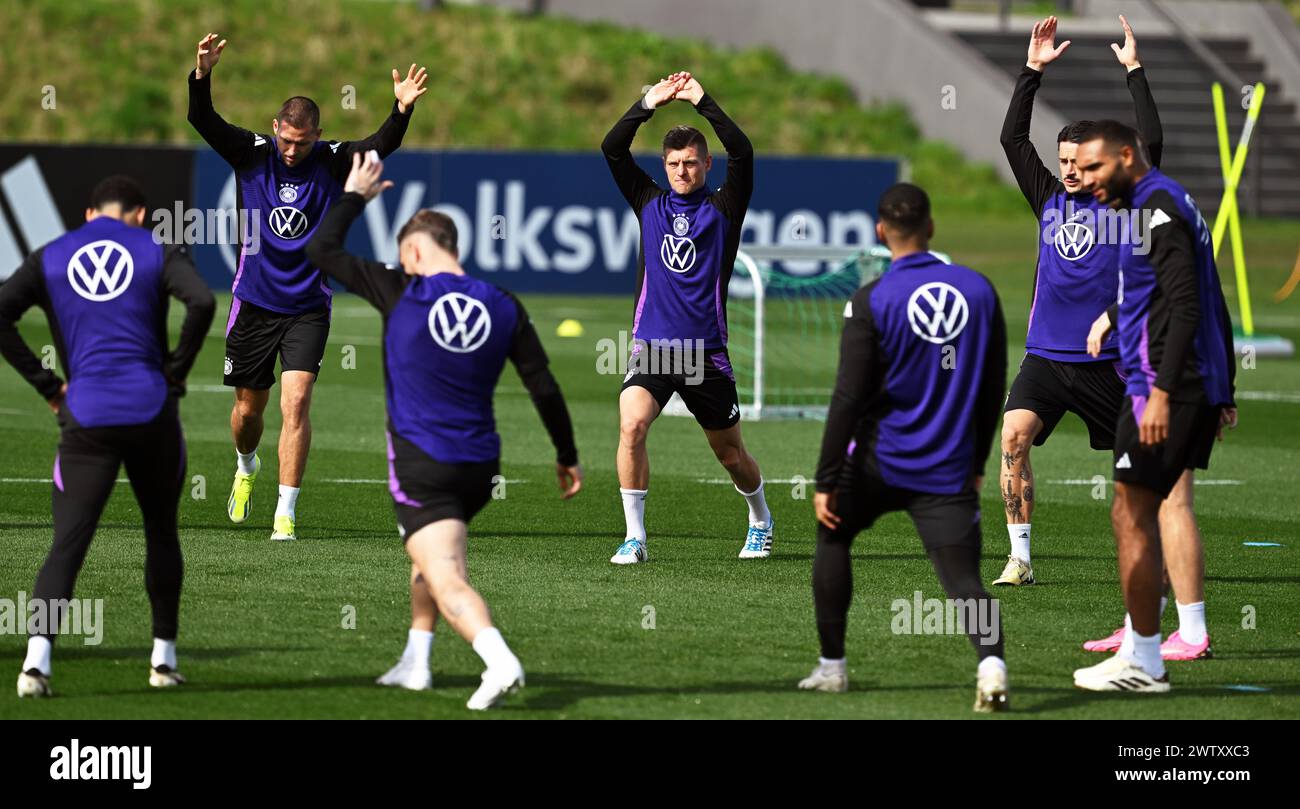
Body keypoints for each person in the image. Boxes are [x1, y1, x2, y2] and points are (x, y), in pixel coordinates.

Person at [305, 152, 582, 709]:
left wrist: (356, 195)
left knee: (447, 573)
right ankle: (417, 659)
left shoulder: (399, 288)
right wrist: (566, 454)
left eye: (405, 257)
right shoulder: (504, 304)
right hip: (481, 468)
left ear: (412, 251)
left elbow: (319, 251)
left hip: (422, 464)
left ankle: (498, 660)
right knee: (428, 559)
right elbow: (544, 387)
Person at [188, 32, 427, 540]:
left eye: (303, 142)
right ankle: (246, 467)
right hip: (252, 302)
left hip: (308, 307)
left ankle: (285, 515)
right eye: (286, 140)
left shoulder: (332, 159)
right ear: (275, 129)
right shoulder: (251, 154)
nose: (293, 150)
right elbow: (203, 120)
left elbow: (380, 145)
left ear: (318, 135)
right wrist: (203, 76)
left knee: (295, 402)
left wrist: (400, 110)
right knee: (247, 411)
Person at [0, 176, 215, 697]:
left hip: (86, 417)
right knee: (161, 532)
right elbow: (203, 302)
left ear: (91, 215)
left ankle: (36, 664)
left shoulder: (52, 254)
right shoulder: (156, 247)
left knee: (67, 544)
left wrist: (49, 387)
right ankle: (163, 660)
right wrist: (175, 372)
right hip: (150, 412)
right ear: (140, 215)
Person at [803, 183, 1010, 712]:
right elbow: (992, 387)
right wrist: (978, 462)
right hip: (947, 468)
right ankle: (991, 666)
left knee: (833, 538)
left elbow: (848, 396)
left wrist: (827, 479)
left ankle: (833, 669)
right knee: (962, 577)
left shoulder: (872, 299)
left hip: (878, 461)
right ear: (932, 227)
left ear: (880, 232)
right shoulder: (980, 290)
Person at [994, 15, 1163, 587]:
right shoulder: (1046, 199)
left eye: (1076, 161)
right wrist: (1032, 70)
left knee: (1138, 471)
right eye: (1061, 160)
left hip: (1108, 361)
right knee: (1013, 436)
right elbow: (1012, 140)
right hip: (1045, 355)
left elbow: (1153, 145)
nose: (1066, 170)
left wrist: (1135, 72)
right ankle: (1020, 557)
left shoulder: (1121, 204)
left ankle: (1158, 559)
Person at [1070, 121, 1236, 692]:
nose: (1085, 180)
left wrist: (1163, 392)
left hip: (1163, 389)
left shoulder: (1156, 206)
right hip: (1173, 384)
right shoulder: (1154, 201)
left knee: (1135, 514)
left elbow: (1188, 304)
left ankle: (1145, 658)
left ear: (1125, 155)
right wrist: (1225, 386)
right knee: (1135, 510)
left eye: (1094, 168)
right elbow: (1186, 293)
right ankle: (1144, 644)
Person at [601, 71, 773, 564]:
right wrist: (646, 103)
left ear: (705, 164)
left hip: (705, 356)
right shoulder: (648, 201)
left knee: (731, 456)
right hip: (651, 348)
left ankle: (760, 517)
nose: (682, 171)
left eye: (691, 163)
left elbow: (744, 153)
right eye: (674, 163)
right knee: (631, 426)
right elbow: (612, 149)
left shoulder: (724, 208)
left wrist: (704, 103)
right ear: (665, 166)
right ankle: (635, 537)